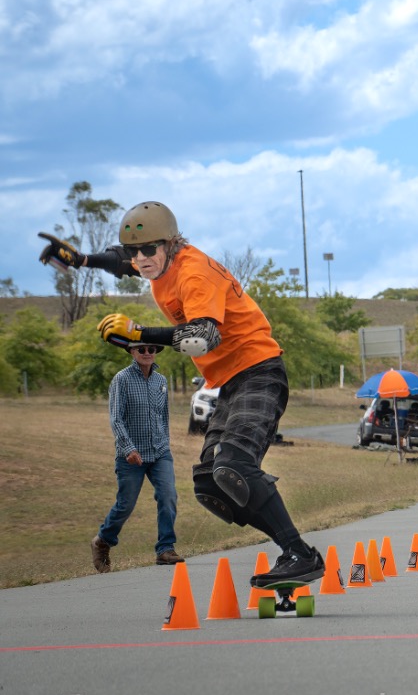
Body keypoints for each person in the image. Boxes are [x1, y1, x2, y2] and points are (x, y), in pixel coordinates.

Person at [42, 202, 324, 588]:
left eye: (149, 250)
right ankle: (296, 553)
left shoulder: (193, 274)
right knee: (210, 483)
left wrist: (141, 334)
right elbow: (122, 262)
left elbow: (202, 337)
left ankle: (299, 555)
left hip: (259, 371)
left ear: (171, 244)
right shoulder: (158, 263)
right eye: (134, 251)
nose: (140, 260)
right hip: (231, 382)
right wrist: (81, 259)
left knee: (235, 467)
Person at [91, 342, 183, 572]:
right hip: (131, 455)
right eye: (141, 349)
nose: (147, 353)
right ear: (132, 352)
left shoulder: (161, 381)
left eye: (151, 349)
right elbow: (116, 418)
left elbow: (164, 417)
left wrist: (165, 442)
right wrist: (128, 448)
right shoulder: (121, 379)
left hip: (160, 452)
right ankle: (103, 540)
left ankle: (165, 549)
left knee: (168, 495)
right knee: (126, 505)